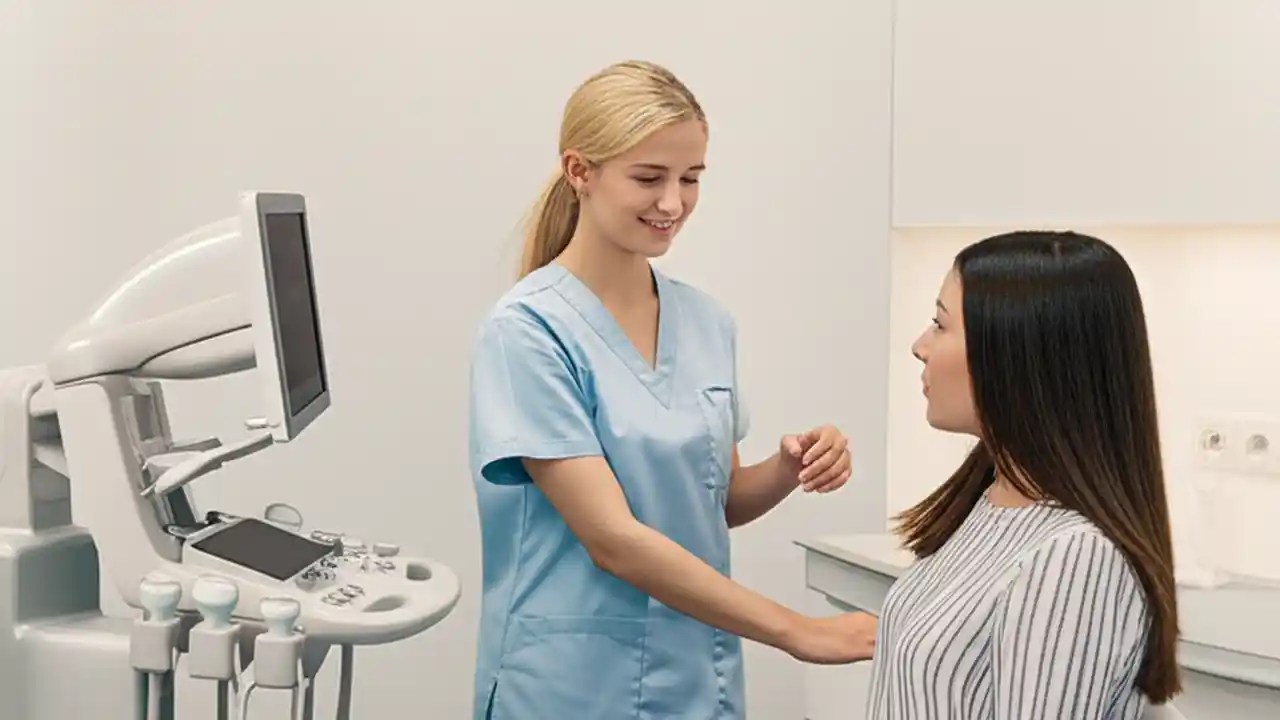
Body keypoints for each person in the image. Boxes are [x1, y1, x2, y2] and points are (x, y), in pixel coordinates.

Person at [467, 60, 875, 720]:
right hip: (572, 689)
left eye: (691, 179)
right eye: (649, 178)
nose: (674, 203)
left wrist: (788, 467)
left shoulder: (707, 321)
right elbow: (612, 538)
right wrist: (800, 631)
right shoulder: (527, 332)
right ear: (580, 172)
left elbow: (714, 503)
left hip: (698, 678)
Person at [866, 230, 1182, 719]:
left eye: (940, 325)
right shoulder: (987, 504)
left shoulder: (1074, 558)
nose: (919, 346)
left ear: (1014, 354)